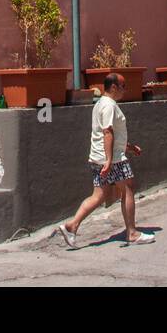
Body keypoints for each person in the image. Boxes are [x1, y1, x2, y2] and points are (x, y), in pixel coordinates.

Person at [57, 73, 154, 248]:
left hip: (99, 156)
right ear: (114, 87)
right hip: (112, 159)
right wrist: (109, 160)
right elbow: (108, 132)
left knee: (99, 195)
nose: (125, 90)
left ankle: (71, 226)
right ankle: (132, 233)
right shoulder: (109, 105)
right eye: (123, 86)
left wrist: (129, 147)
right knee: (128, 189)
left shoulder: (100, 104)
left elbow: (112, 135)